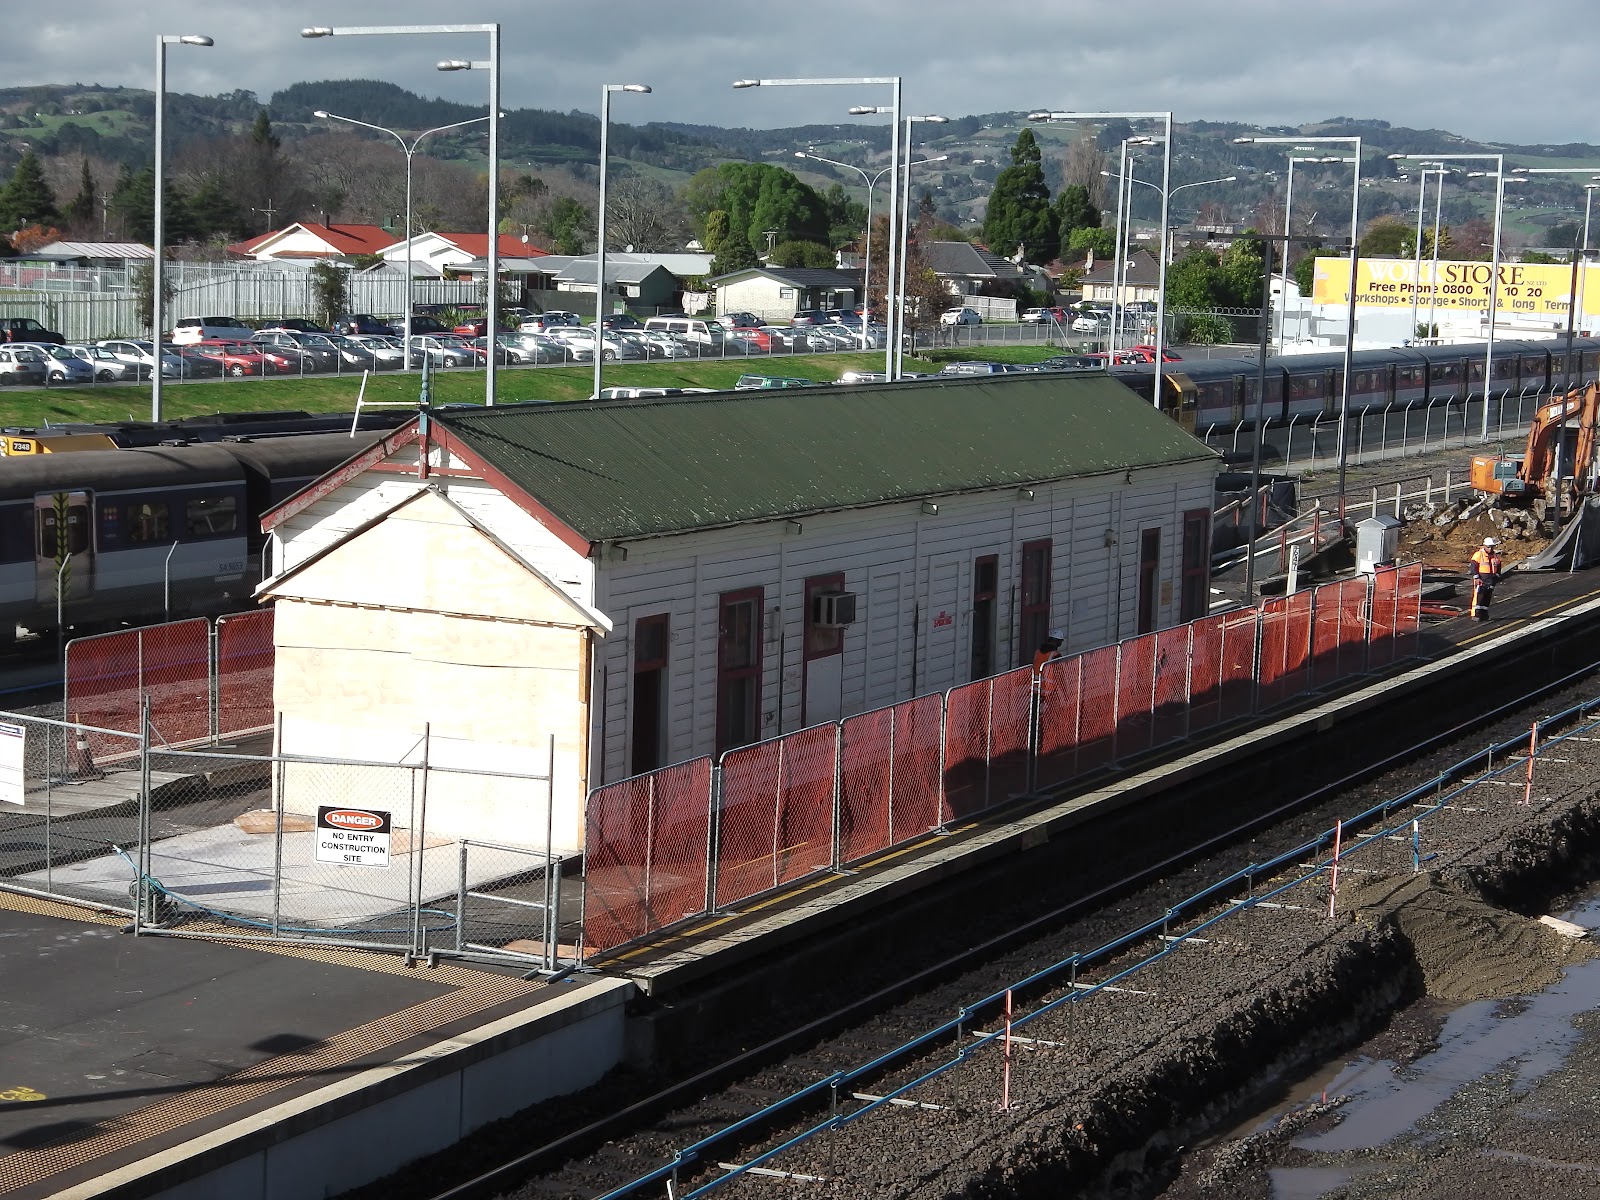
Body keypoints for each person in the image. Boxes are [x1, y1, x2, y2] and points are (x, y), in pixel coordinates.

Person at [1468, 537, 1503, 621]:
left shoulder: (1495, 556)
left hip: (1491, 580)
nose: (1490, 548)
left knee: (1487, 598)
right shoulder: (1478, 555)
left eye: (1492, 547)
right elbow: (1473, 567)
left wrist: (1496, 578)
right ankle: (1476, 615)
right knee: (1479, 597)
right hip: (1481, 579)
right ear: (1484, 546)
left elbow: (1498, 567)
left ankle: (1484, 614)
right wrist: (1476, 578)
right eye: (1488, 547)